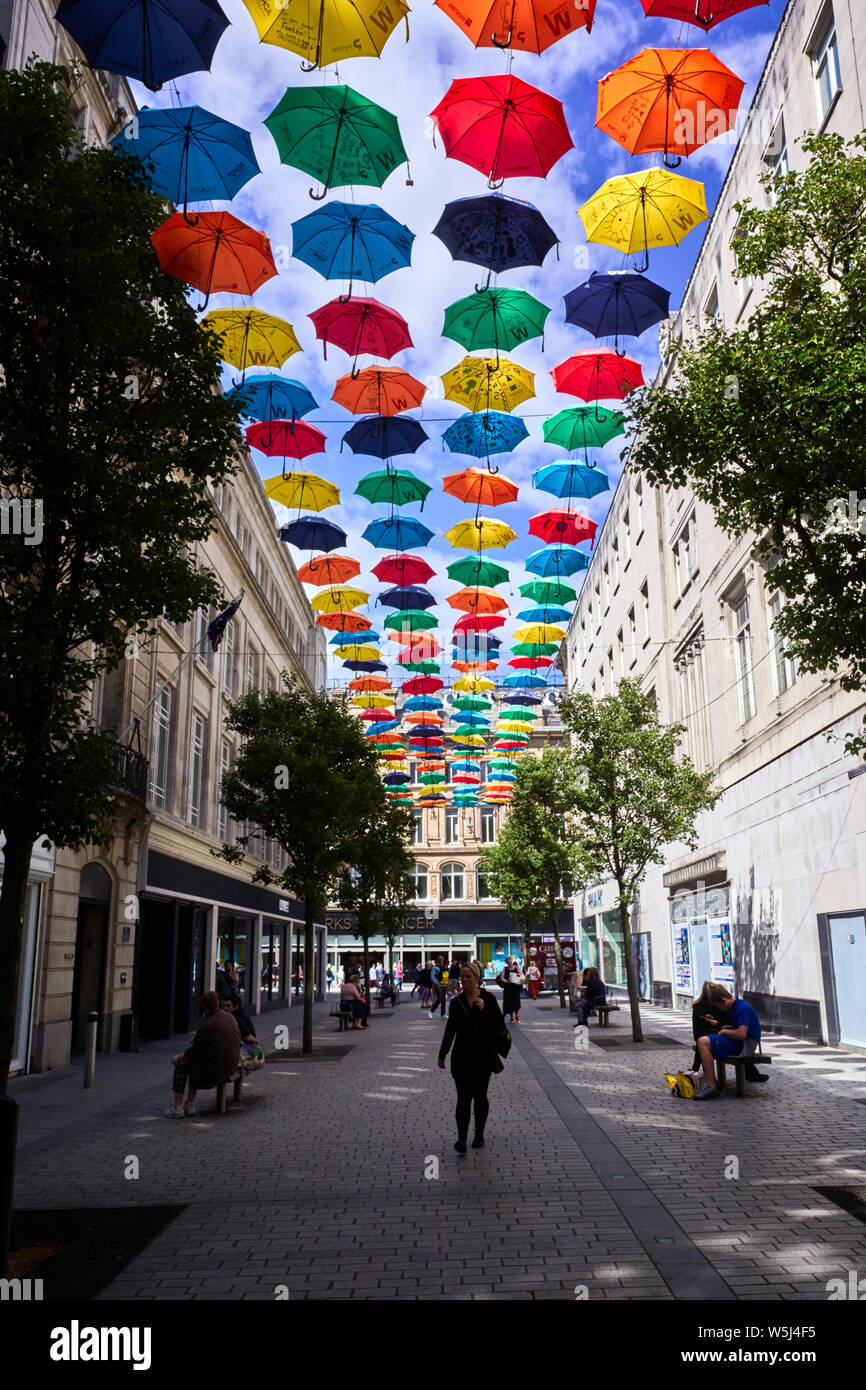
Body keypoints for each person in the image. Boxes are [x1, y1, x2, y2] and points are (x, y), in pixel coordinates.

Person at [438, 962, 505, 1153]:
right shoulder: (456, 1002)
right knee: (463, 1098)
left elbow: (498, 1024)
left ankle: (479, 1134)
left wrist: (484, 1010)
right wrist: (442, 1054)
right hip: (461, 1057)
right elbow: (450, 1029)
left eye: (469, 976)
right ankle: (461, 1138)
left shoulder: (488, 998)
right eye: (463, 976)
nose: (465, 979)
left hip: (483, 1056)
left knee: (480, 1096)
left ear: (476, 977)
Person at [167, 991, 240, 1117]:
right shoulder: (229, 1017)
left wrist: (178, 1057)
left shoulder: (207, 1024)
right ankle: (189, 1104)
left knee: (182, 1064)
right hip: (231, 1065)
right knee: (194, 1062)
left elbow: (195, 1051)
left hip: (218, 1070)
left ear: (204, 1007)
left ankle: (177, 1106)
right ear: (217, 1003)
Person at [694, 988, 763, 1100]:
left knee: (703, 1042)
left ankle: (711, 1085)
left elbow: (741, 1034)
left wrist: (724, 1031)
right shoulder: (737, 1006)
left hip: (745, 1046)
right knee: (705, 1041)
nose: (719, 1009)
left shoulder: (741, 1007)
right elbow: (742, 1027)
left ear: (723, 1000)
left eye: (718, 1006)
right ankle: (712, 1082)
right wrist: (729, 1027)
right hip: (741, 1043)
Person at [500, 958, 524, 1023]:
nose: (509, 963)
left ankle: (516, 1015)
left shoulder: (517, 968)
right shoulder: (505, 969)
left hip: (516, 988)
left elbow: (522, 975)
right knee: (509, 1003)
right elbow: (502, 977)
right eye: (508, 962)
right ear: (506, 963)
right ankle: (511, 1017)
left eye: (510, 961)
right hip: (508, 988)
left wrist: (522, 980)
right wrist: (507, 981)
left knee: (516, 1002)